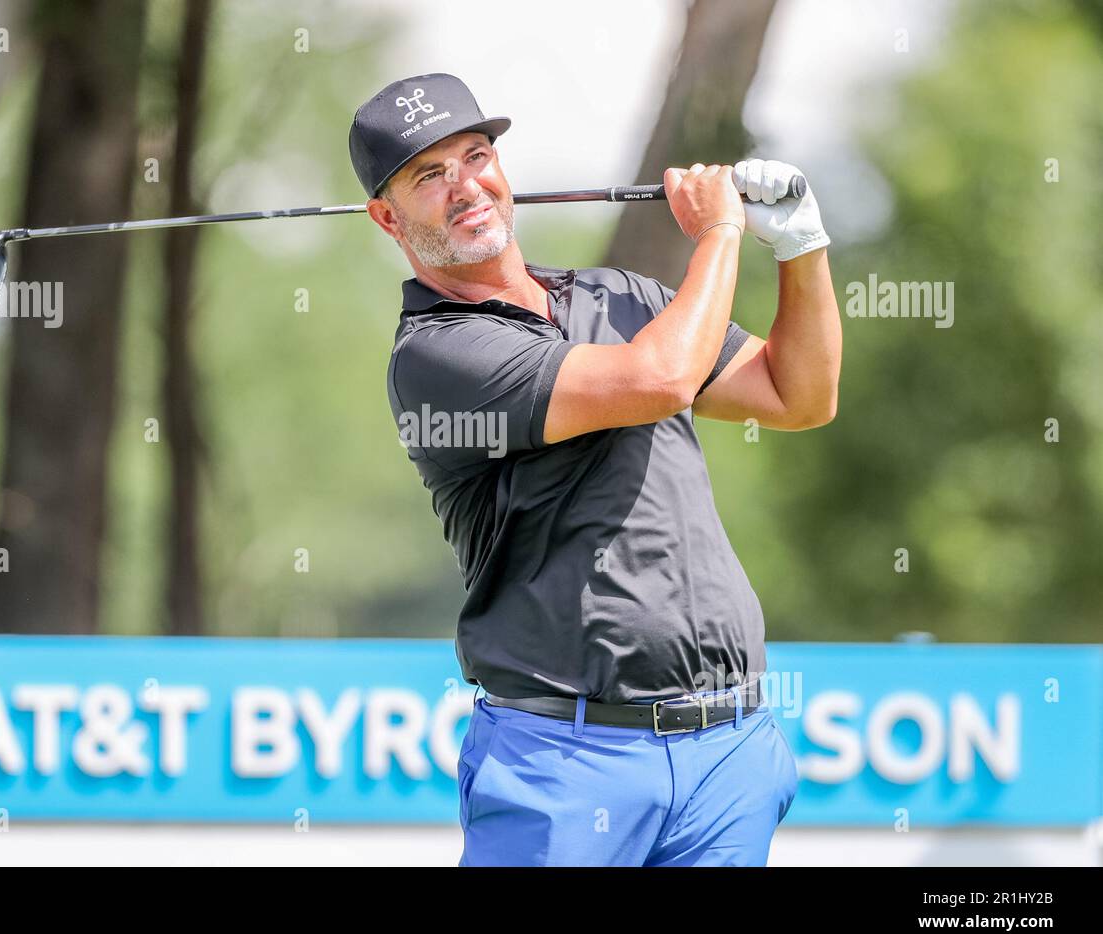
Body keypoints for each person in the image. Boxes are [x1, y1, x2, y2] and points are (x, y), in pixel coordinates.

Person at [349, 72, 841, 866]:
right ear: (386, 216)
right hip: (564, 763)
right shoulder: (438, 356)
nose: (465, 186)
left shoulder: (623, 298)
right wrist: (718, 235)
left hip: (727, 754)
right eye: (428, 176)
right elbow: (658, 381)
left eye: (476, 157)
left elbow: (800, 393)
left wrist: (799, 245)